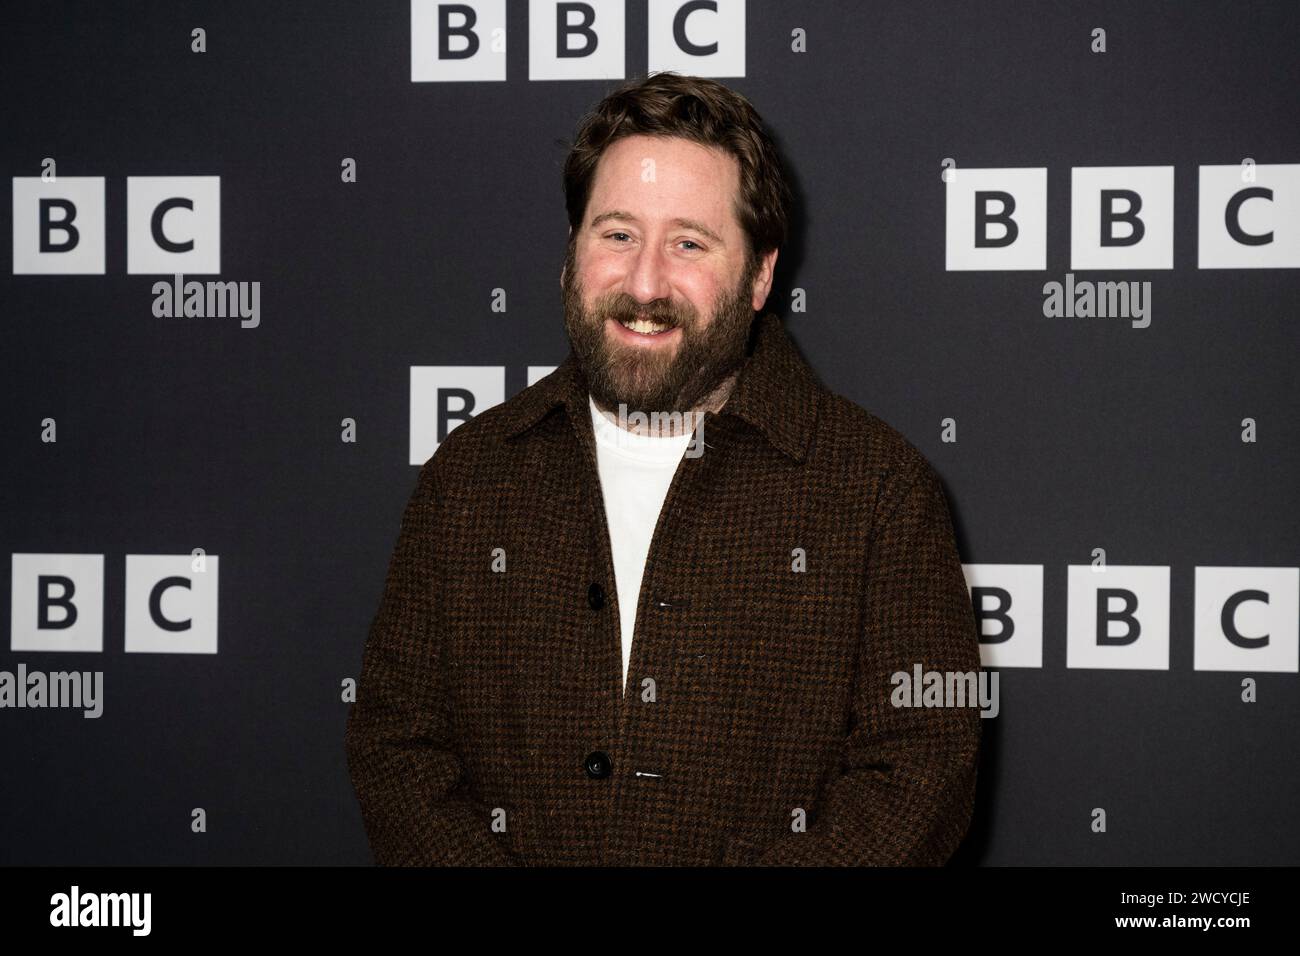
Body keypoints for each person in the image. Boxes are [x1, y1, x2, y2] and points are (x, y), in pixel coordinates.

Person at [345, 71, 982, 866]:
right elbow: (397, 746)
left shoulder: (881, 493)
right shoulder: (468, 479)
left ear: (758, 276)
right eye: (616, 234)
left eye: (688, 243)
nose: (644, 283)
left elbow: (921, 772)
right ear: (573, 249)